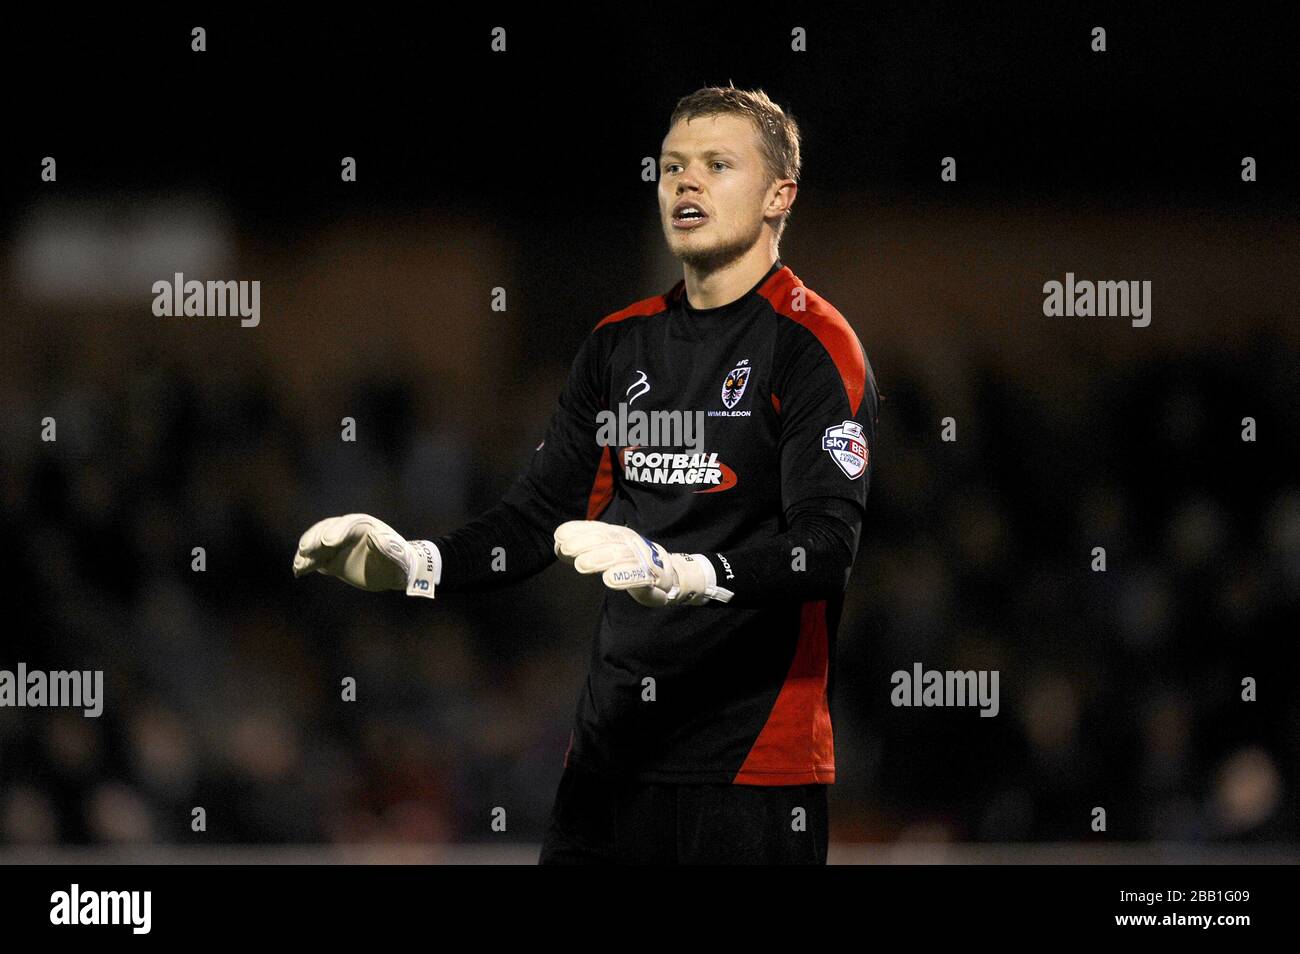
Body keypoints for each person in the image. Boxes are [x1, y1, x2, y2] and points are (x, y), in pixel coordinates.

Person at [293, 84, 881, 864]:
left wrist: (684, 573)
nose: (686, 182)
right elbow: (538, 518)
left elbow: (826, 545)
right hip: (610, 761)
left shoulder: (813, 344)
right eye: (672, 166)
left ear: (780, 194)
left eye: (716, 164)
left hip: (751, 770)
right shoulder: (617, 346)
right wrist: (419, 563)